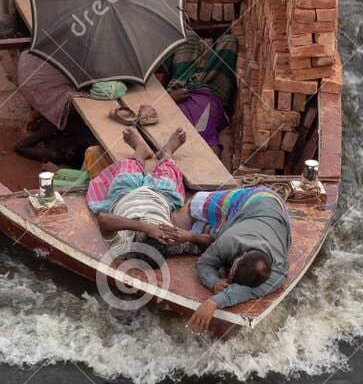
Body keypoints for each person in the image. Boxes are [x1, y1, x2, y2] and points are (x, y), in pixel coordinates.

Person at [89, 128, 209, 263]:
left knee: (127, 169)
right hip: (160, 196)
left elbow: (104, 219)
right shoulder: (171, 243)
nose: (152, 225)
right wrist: (190, 237)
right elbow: (211, 243)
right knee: (169, 173)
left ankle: (141, 150)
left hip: (124, 196)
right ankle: (167, 152)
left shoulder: (124, 244)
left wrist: (146, 228)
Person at [185, 186, 292, 333]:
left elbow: (251, 291)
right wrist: (213, 282)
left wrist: (214, 302)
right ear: (242, 255)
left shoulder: (278, 270)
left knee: (199, 229)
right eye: (231, 272)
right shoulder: (229, 240)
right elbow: (205, 262)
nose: (229, 278)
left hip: (274, 216)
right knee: (193, 206)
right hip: (252, 199)